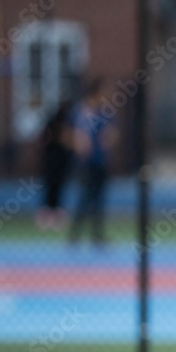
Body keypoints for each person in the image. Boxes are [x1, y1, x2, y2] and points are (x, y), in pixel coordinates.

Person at [68, 79, 118, 246]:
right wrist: (78, 143)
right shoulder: (83, 111)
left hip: (100, 161)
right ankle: (74, 235)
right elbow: (71, 133)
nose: (107, 96)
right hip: (86, 162)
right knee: (84, 199)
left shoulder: (105, 113)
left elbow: (111, 134)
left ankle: (97, 235)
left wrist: (110, 139)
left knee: (100, 200)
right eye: (104, 92)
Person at [35, 101, 73, 231]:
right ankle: (47, 218)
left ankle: (54, 217)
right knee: (50, 191)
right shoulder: (54, 127)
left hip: (58, 165)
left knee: (56, 191)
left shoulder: (63, 126)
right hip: (52, 165)